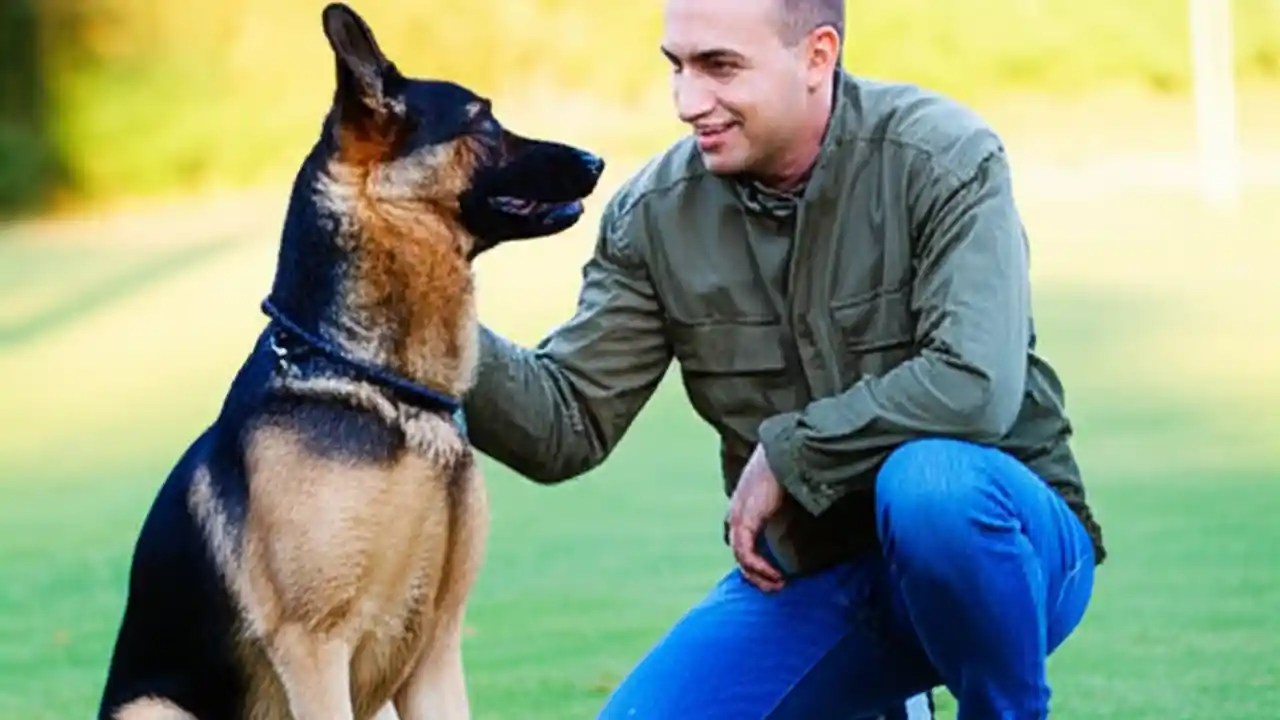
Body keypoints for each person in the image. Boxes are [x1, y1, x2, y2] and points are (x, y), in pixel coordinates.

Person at [460, 0, 1107, 717]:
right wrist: (433, 314)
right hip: (816, 571)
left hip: (1009, 552)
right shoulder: (653, 215)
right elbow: (565, 424)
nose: (686, 101)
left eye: (719, 66)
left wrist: (790, 451)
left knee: (932, 487)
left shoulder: (943, 156)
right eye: (676, 65)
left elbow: (974, 384)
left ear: (817, 56)